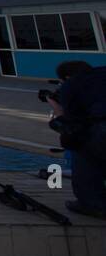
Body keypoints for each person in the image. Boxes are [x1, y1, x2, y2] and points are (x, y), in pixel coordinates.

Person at [45, 60, 106, 219]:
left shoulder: (72, 85)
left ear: (66, 77)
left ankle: (91, 204)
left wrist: (56, 108)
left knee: (84, 150)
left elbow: (72, 126)